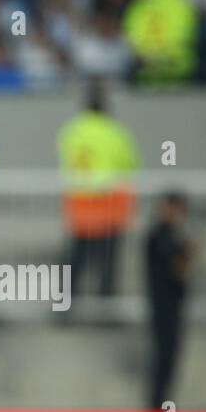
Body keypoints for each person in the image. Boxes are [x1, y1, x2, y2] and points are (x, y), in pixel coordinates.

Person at [58, 81, 140, 303]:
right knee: (107, 262)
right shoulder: (115, 133)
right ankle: (105, 309)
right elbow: (130, 166)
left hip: (80, 204)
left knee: (76, 258)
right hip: (109, 206)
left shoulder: (72, 131)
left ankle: (65, 305)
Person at [144, 192, 194, 410]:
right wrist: (187, 251)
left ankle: (163, 404)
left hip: (174, 306)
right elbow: (176, 269)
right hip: (162, 306)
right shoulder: (159, 237)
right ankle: (157, 407)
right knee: (163, 357)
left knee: (171, 358)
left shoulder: (173, 237)